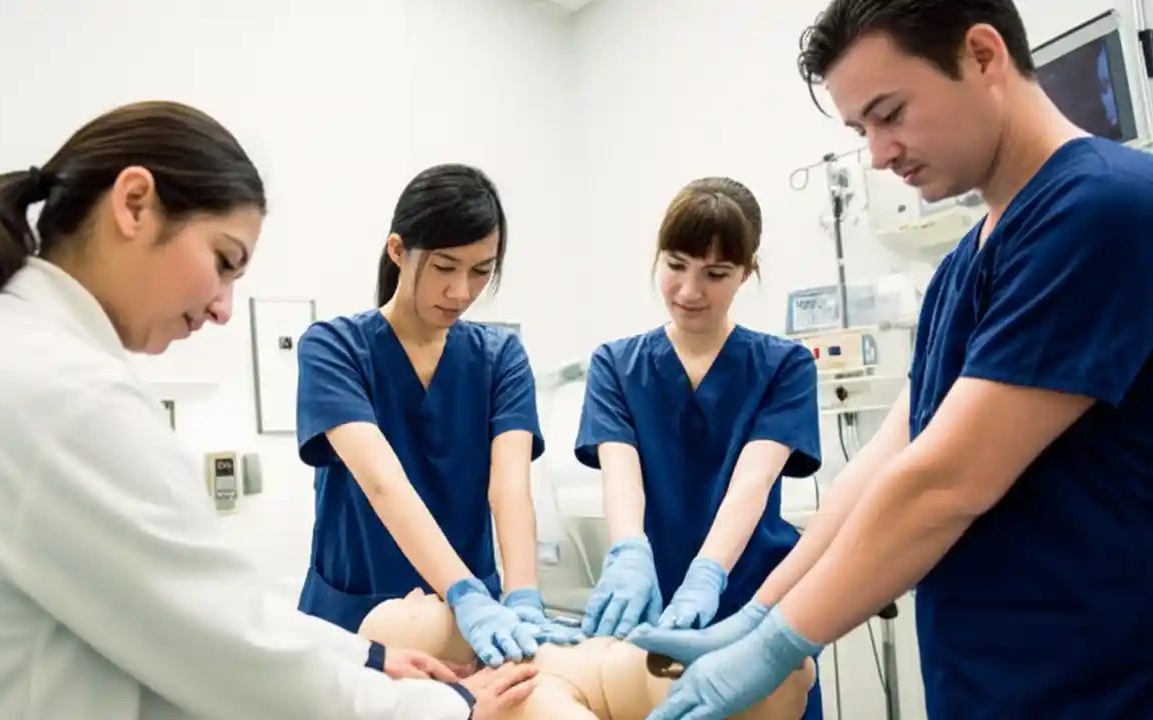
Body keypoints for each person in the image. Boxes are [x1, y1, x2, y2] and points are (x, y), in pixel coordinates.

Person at [0, 101, 536, 720]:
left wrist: (367, 658)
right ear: (135, 204)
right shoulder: (56, 391)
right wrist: (455, 705)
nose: (223, 308)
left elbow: (213, 608)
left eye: (481, 271)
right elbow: (230, 648)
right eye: (224, 262)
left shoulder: (22, 355)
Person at [627, 2, 1153, 718]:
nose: (877, 153)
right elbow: (894, 454)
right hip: (984, 682)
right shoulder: (963, 266)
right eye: (860, 129)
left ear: (983, 56)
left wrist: (781, 641)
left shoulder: (1101, 210)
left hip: (1094, 684)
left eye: (890, 112)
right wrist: (757, 613)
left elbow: (947, 482)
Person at [572, 177, 824, 717]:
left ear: (746, 272)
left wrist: (707, 576)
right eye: (676, 264)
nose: (689, 291)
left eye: (715, 274)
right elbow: (621, 473)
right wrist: (628, 553)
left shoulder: (785, 366)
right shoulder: (616, 365)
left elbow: (751, 483)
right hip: (653, 609)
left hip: (757, 607)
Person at [295, 163, 564, 669]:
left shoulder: (499, 358)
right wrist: (462, 593)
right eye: (444, 268)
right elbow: (382, 483)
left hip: (472, 631)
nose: (461, 292)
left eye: (482, 270)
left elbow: (509, 490)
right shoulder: (335, 349)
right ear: (398, 251)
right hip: (359, 620)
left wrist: (523, 597)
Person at [357, 589, 816, 720]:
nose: (419, 590)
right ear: (429, 669)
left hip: (727, 660)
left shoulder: (516, 642)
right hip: (700, 697)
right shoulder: (514, 693)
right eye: (406, 605)